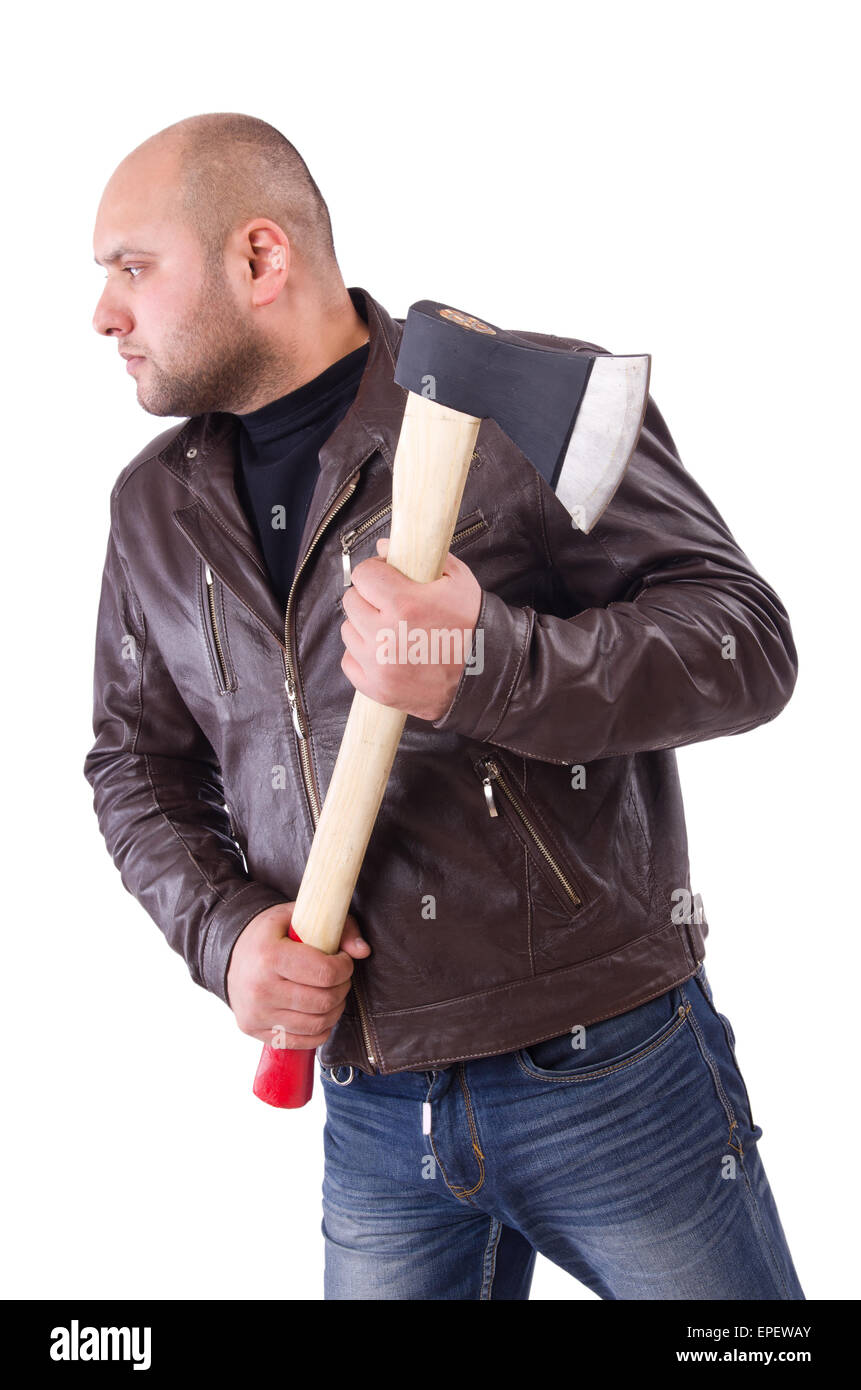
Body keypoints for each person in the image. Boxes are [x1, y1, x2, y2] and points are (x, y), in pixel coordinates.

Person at [84, 112, 805, 1301]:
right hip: (373, 1105)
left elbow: (745, 642)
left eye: (131, 267)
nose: (104, 313)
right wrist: (227, 935)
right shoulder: (155, 509)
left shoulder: (507, 417)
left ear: (259, 258)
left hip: (607, 1067)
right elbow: (136, 767)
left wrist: (488, 664)